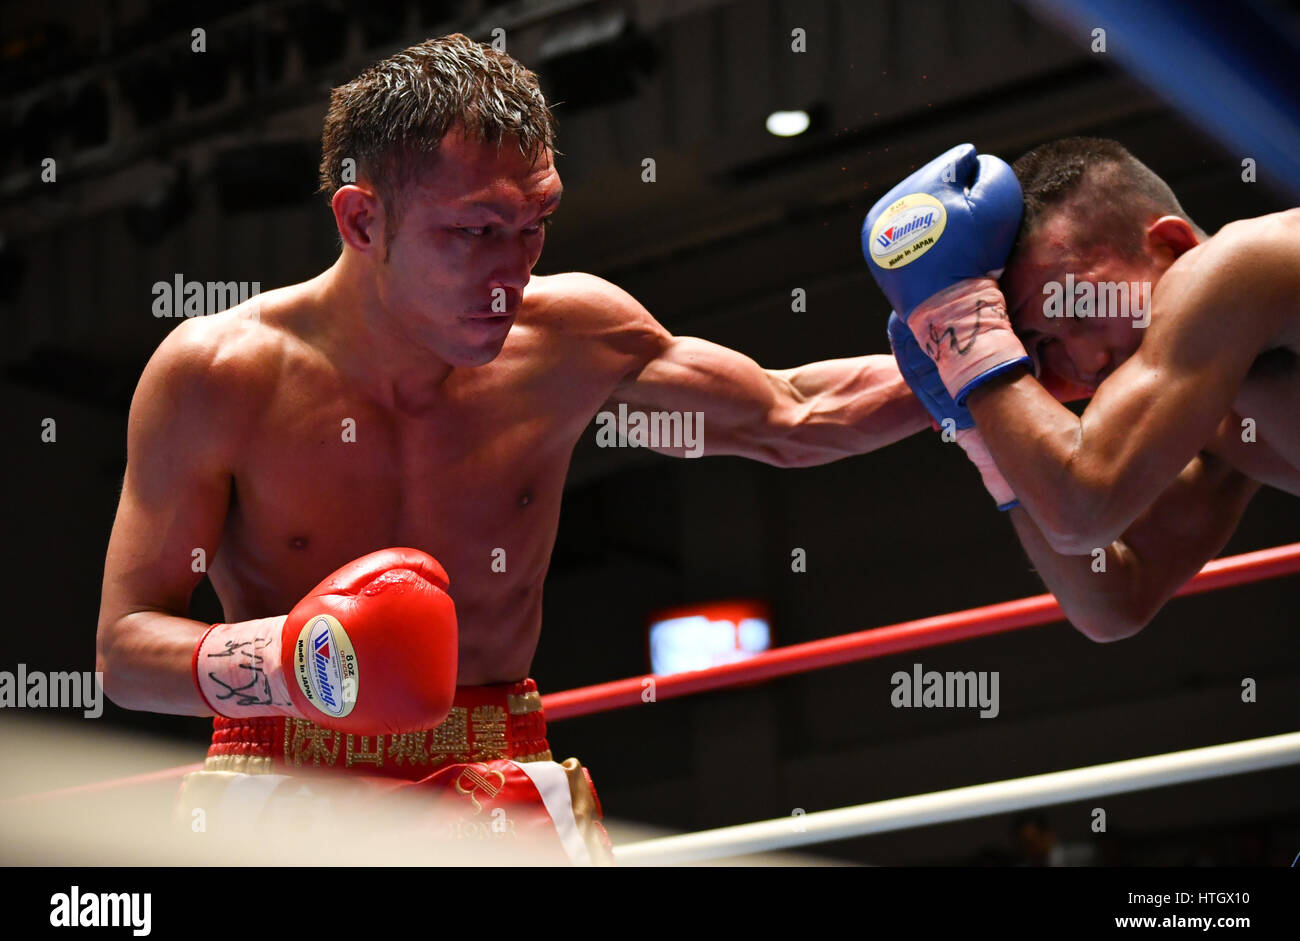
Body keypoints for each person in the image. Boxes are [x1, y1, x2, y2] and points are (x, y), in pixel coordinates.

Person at [96, 33, 931, 864]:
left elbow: (790, 413)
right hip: (286, 787)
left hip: (503, 777)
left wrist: (984, 349)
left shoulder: (571, 339)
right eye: (475, 230)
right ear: (361, 218)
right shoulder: (219, 376)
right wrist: (295, 661)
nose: (512, 274)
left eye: (535, 225)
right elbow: (126, 650)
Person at [863, 138, 1299, 643]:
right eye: (1044, 342)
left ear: (1172, 247)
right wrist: (981, 437)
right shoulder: (1222, 419)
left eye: (1083, 308)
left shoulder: (1250, 261)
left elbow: (1080, 510)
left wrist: (964, 330)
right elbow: (1114, 602)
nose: (1087, 364)